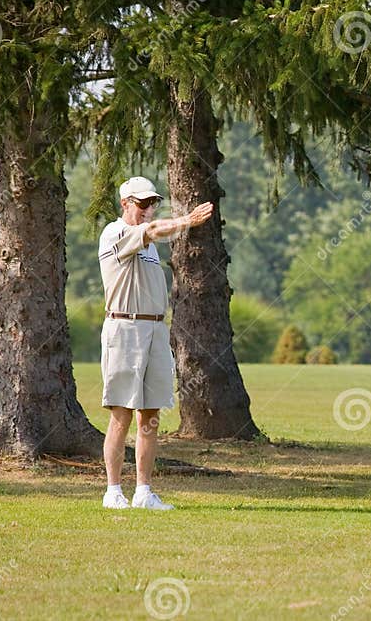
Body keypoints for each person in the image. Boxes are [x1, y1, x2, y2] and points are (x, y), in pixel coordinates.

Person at [99, 176, 214, 510]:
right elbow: (151, 232)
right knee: (121, 414)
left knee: (149, 417)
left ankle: (144, 491)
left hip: (154, 331)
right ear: (125, 204)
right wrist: (186, 221)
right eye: (142, 203)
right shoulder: (116, 232)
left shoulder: (148, 248)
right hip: (124, 330)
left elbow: (152, 236)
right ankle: (113, 491)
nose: (148, 209)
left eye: (152, 203)